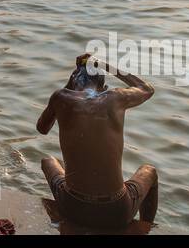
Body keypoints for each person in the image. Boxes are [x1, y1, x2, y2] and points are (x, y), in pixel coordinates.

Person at [36, 54, 159, 231]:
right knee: (149, 171)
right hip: (116, 211)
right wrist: (105, 64)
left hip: (72, 207)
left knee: (48, 161)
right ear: (103, 86)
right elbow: (146, 89)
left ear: (74, 83)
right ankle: (146, 227)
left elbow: (42, 128)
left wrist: (68, 87)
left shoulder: (60, 97)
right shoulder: (115, 97)